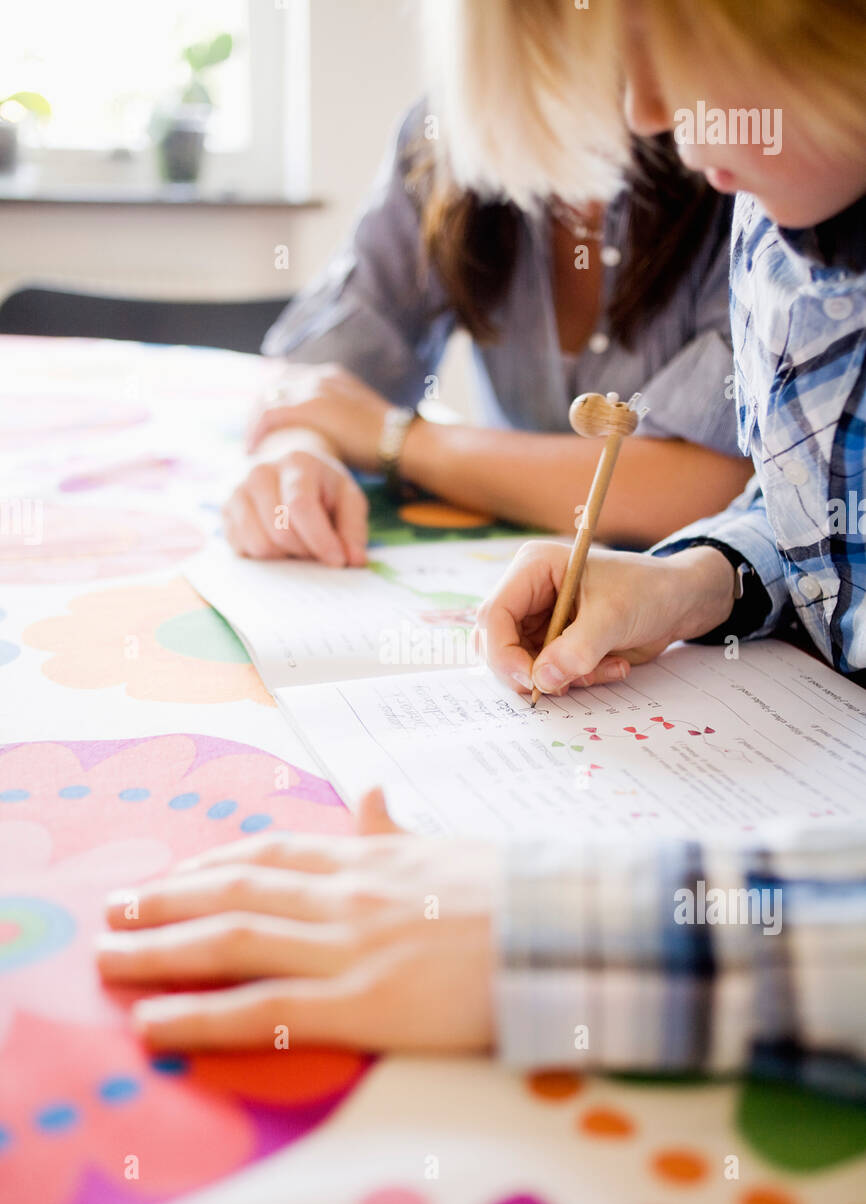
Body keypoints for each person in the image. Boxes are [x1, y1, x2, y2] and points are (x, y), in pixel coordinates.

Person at [98, 0, 866, 1100]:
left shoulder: (741, 178)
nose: (640, 107)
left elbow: (702, 466)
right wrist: (696, 579)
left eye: (657, 42)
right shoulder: (784, 218)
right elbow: (814, 514)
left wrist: (554, 937)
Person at [222, 0, 751, 563]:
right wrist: (301, 449)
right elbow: (315, 375)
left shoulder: (739, 152)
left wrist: (396, 440)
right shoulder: (444, 134)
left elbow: (716, 486)